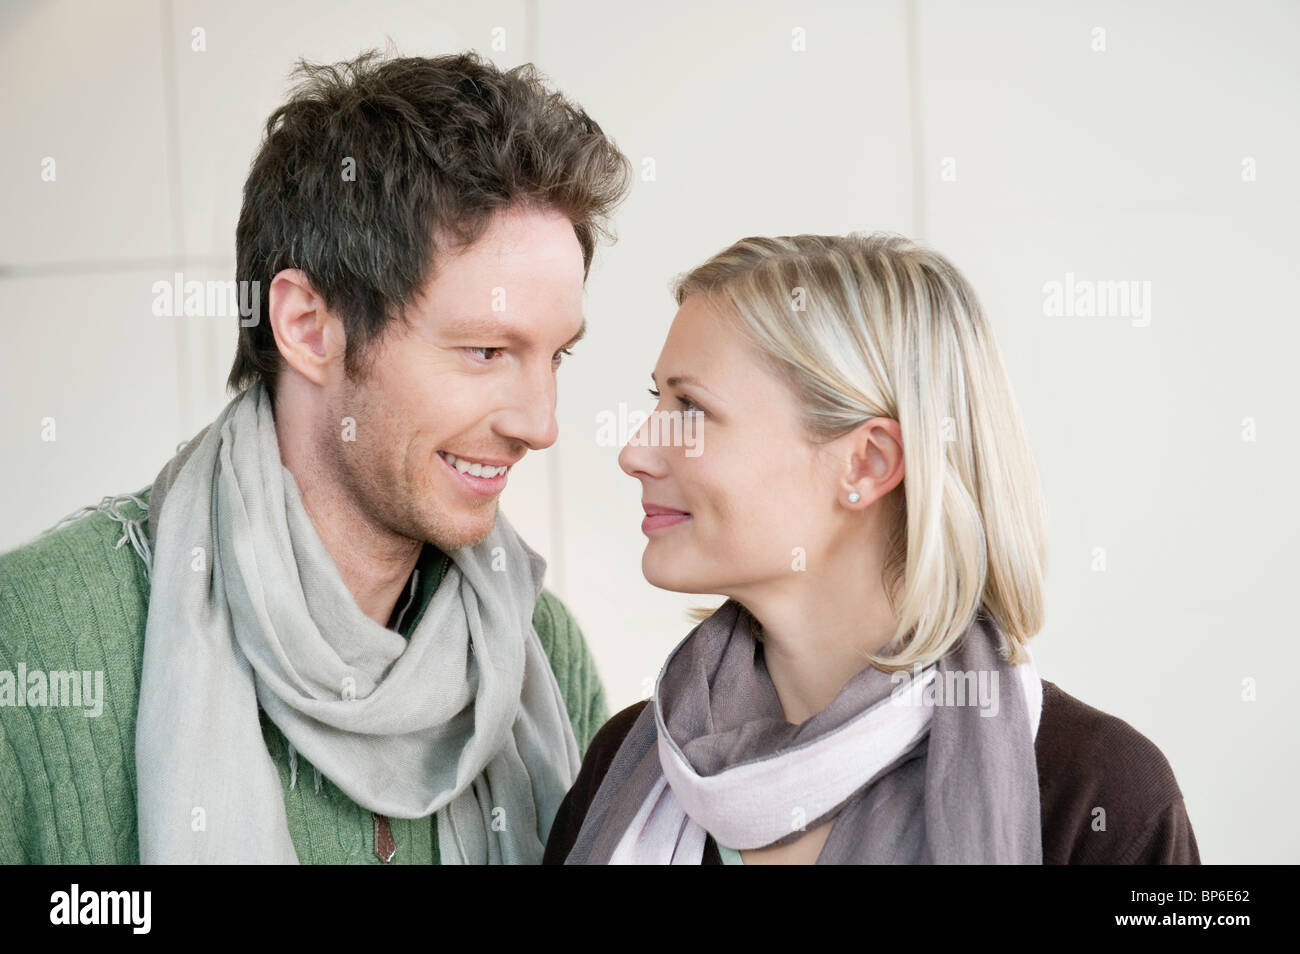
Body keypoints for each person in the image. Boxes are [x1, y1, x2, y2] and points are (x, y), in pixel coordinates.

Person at [0, 49, 633, 864]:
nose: (540, 423)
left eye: (557, 357)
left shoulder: (539, 650)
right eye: (484, 351)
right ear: (307, 326)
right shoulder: (36, 646)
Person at [545, 232, 1201, 864]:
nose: (635, 451)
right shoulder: (625, 763)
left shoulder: (1097, 796)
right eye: (654, 399)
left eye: (690, 409)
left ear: (866, 463)